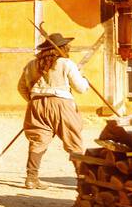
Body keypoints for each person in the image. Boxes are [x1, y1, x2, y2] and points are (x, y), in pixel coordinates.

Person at [18, 32, 88, 189]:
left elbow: (21, 87)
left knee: (37, 140)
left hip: (36, 105)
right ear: (62, 48)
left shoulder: (31, 65)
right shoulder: (67, 63)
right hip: (62, 105)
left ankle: (31, 179)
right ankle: (83, 182)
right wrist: (85, 81)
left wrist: (33, 100)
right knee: (73, 142)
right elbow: (80, 88)